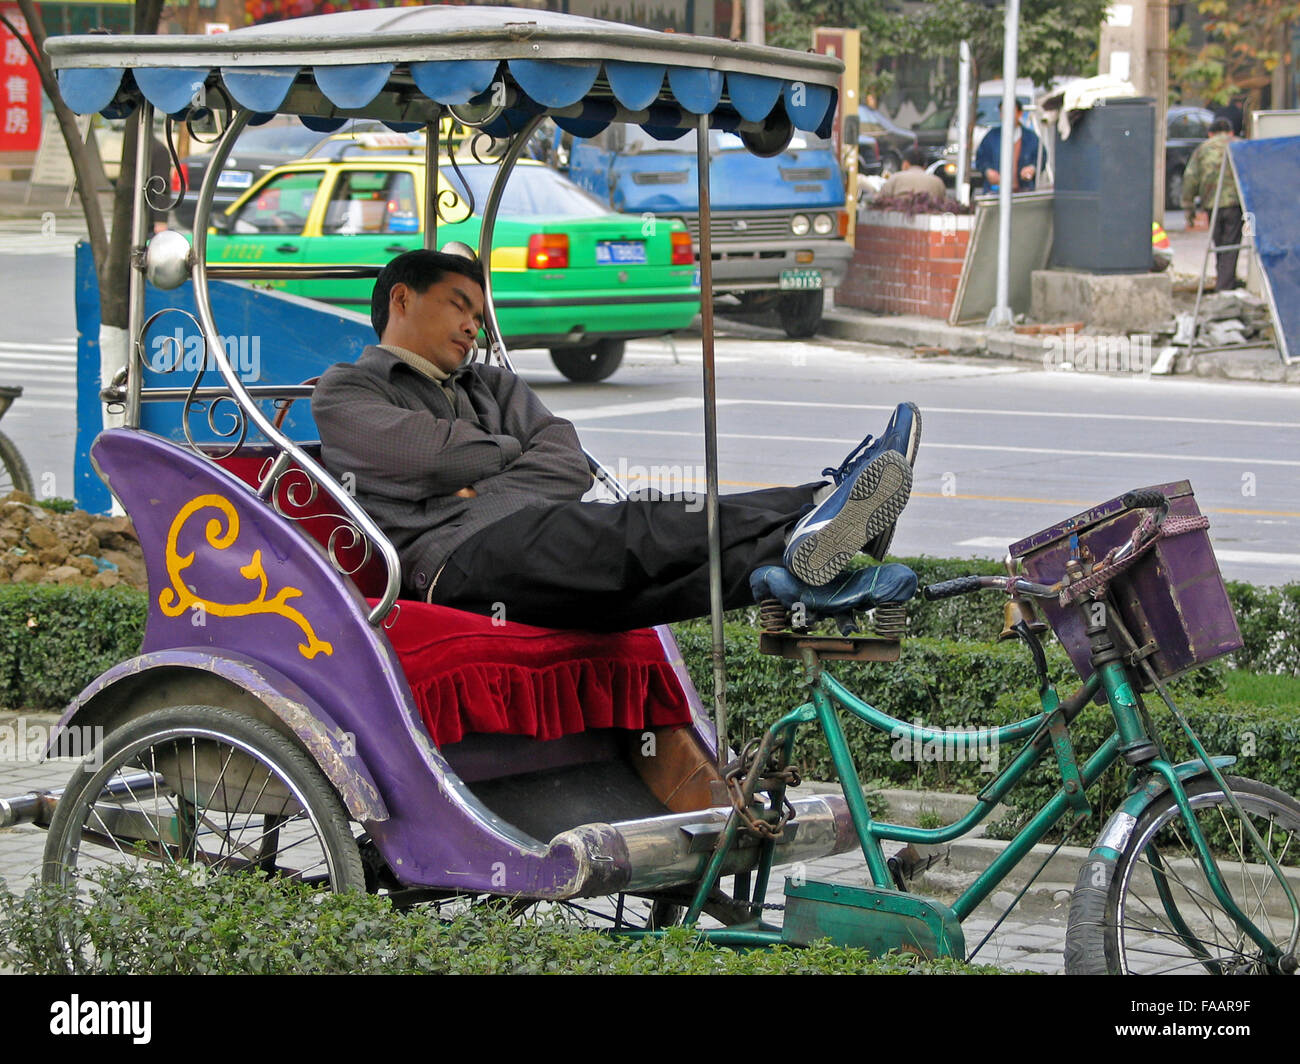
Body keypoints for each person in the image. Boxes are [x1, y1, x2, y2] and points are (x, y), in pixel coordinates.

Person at [312, 250, 921, 633]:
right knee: (639, 529)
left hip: (534, 538)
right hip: (457, 563)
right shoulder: (347, 391)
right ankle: (817, 507)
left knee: (658, 587)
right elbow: (438, 457)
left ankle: (815, 561)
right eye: (458, 306)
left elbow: (566, 460)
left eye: (478, 311)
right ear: (402, 299)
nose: (474, 325)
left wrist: (483, 479)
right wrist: (502, 452)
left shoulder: (490, 382)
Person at [1181, 117, 1243, 292]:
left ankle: (1224, 281)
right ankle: (1225, 286)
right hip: (1235, 204)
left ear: (1210, 133)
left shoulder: (1203, 149)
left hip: (1211, 204)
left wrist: (1189, 208)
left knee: (1219, 244)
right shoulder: (1238, 145)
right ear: (1231, 132)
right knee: (1232, 244)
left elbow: (1190, 178)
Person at [974, 100, 1039, 193]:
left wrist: (1032, 168)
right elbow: (980, 159)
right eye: (1003, 112)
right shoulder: (991, 136)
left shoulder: (1031, 138)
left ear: (1020, 113)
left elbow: (1041, 158)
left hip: (1023, 191)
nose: (1006, 116)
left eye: (1010, 112)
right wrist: (988, 171)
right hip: (995, 192)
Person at [876, 146, 946, 201]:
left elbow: (879, 198)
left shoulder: (895, 178)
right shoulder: (938, 182)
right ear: (924, 167)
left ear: (905, 164)